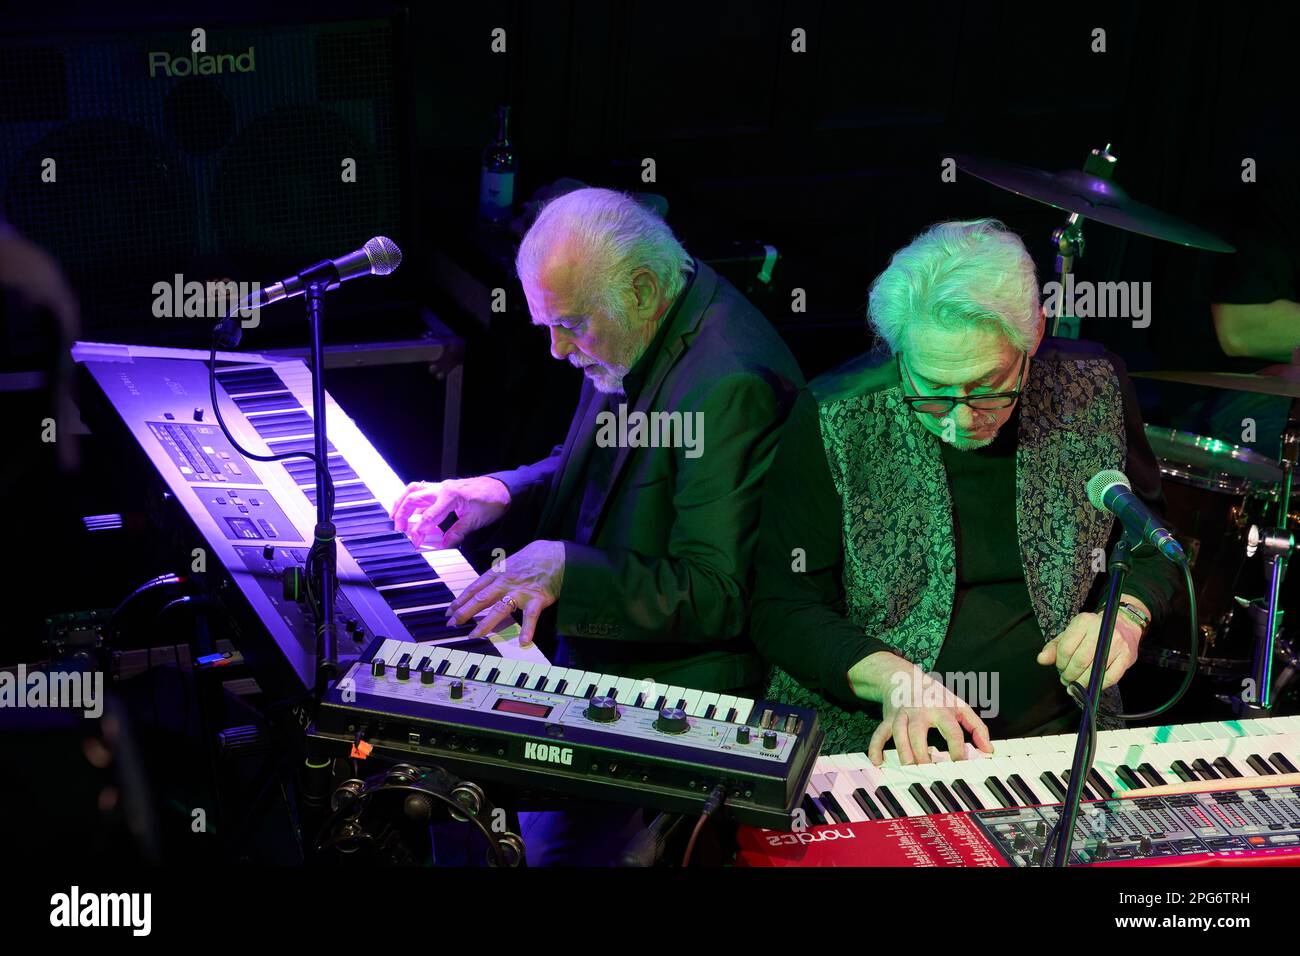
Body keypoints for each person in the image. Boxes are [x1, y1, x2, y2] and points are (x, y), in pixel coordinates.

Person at [390, 187, 803, 862]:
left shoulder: (729, 384)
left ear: (640, 289)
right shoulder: (636, 321)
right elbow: (602, 461)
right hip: (592, 650)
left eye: (570, 325)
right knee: (436, 772)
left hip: (673, 696)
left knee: (449, 777)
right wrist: (501, 489)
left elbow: (717, 593)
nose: (555, 350)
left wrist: (567, 568)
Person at [751, 219, 1182, 762]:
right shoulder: (836, 414)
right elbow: (783, 607)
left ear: (1034, 339)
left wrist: (1124, 619)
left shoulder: (1093, 388)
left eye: (987, 388)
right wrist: (894, 681)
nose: (959, 419)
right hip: (871, 746)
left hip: (1059, 739)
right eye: (931, 389)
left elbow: (1153, 548)